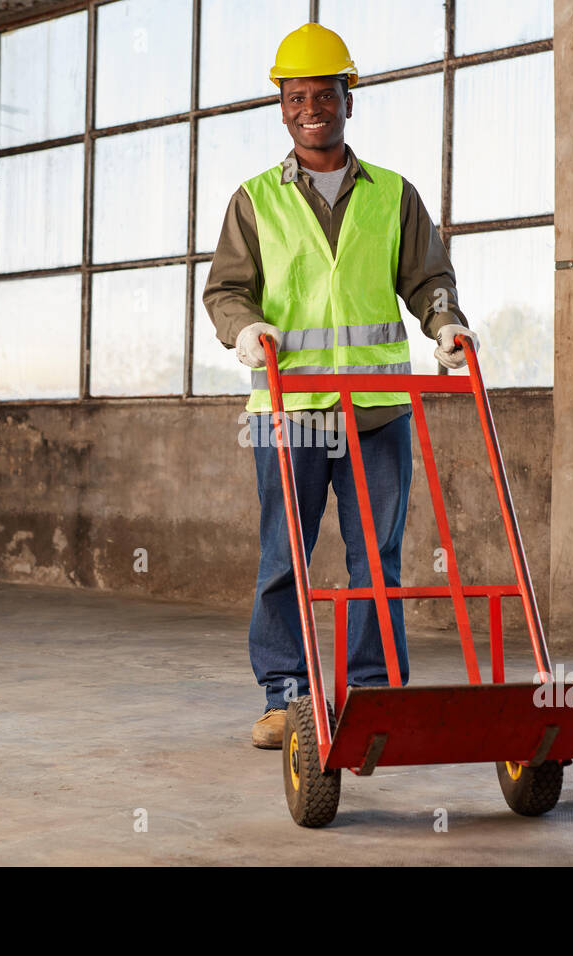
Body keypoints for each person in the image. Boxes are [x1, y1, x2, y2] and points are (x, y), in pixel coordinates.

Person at [203, 23, 481, 749]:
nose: (310, 108)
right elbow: (227, 291)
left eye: (323, 94)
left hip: (378, 411)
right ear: (283, 107)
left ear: (346, 98)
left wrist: (446, 327)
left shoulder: (393, 195)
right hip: (290, 411)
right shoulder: (254, 200)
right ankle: (285, 698)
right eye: (296, 97)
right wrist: (244, 333)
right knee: (283, 559)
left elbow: (430, 281)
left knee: (377, 559)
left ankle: (373, 693)